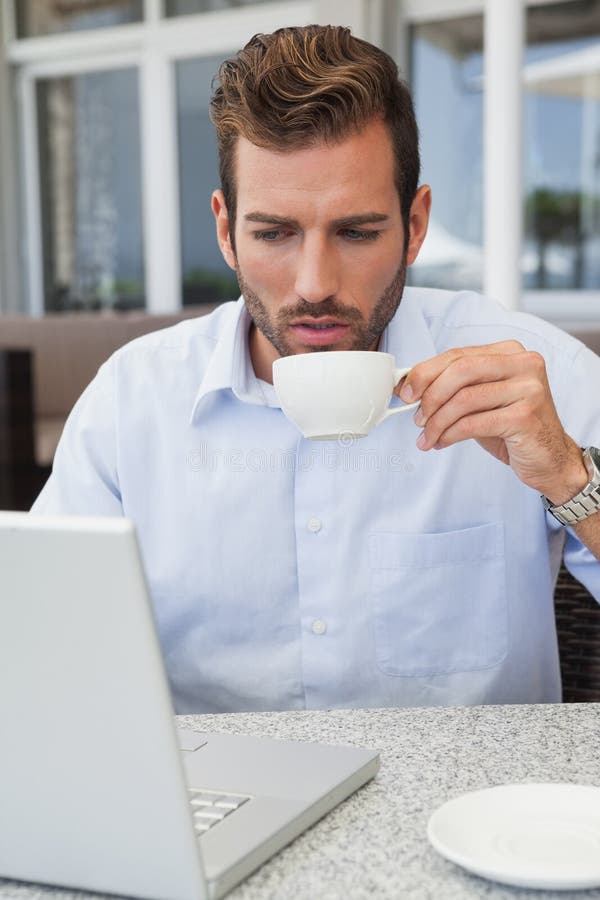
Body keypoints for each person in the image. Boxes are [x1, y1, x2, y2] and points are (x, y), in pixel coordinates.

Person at [32, 24, 600, 713]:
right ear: (225, 230)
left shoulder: (532, 376)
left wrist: (570, 477)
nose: (313, 284)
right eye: (273, 233)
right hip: (214, 808)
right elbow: (40, 651)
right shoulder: (134, 401)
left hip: (466, 816)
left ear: (415, 224)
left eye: (356, 232)